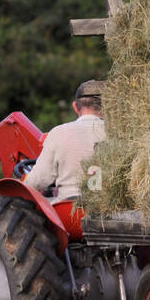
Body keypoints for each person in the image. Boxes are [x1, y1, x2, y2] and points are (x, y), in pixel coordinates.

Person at [21, 79, 105, 238]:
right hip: (108, 212)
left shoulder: (59, 133)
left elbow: (36, 182)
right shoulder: (118, 135)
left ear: (75, 106)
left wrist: (24, 182)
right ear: (105, 107)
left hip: (70, 214)